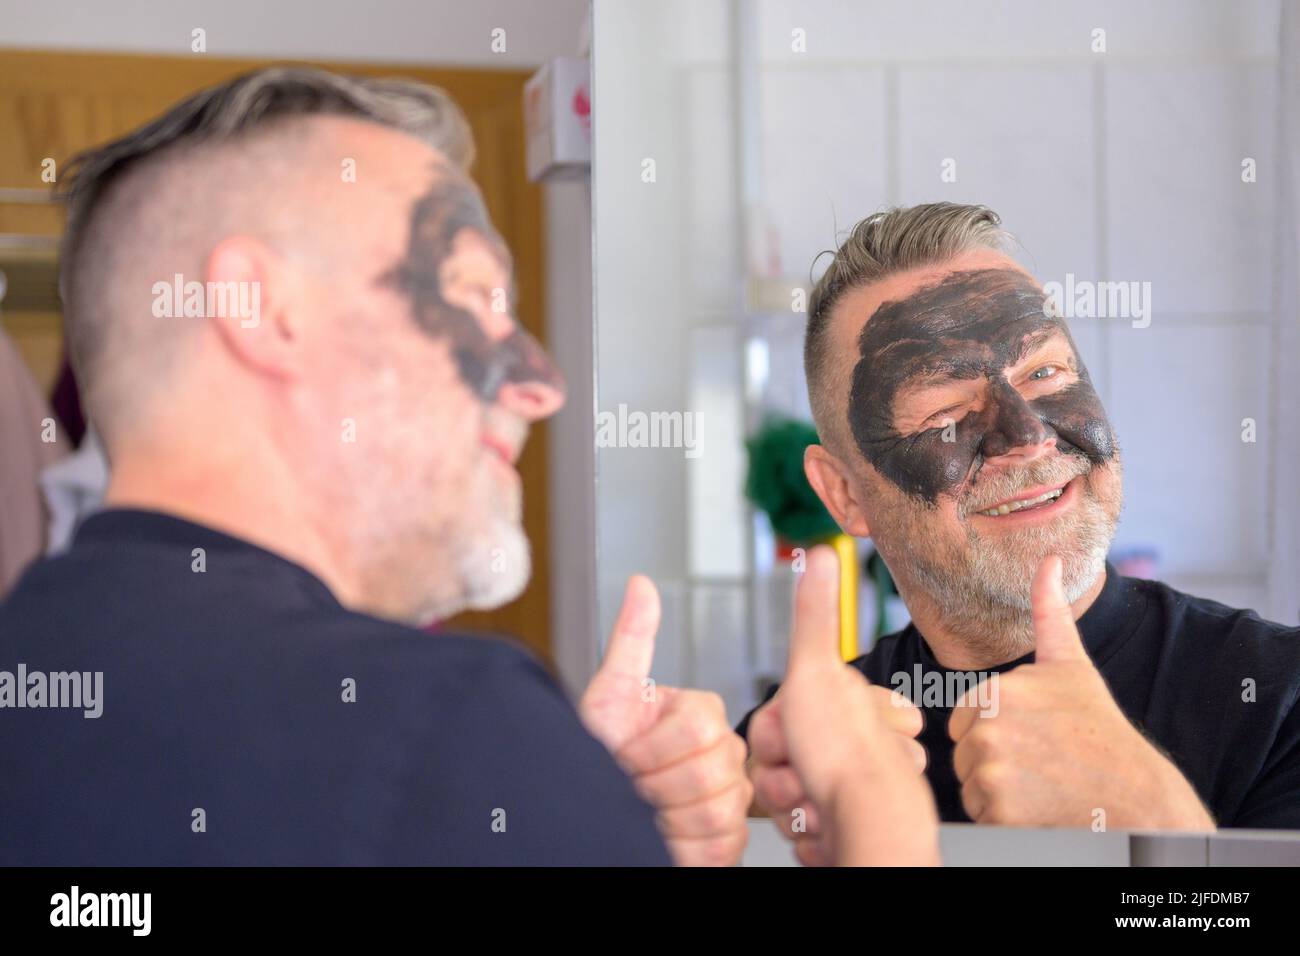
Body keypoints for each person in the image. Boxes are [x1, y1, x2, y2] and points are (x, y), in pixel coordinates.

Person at [0, 67, 759, 865]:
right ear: (256, 310)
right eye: (473, 297)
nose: (542, 385)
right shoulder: (455, 738)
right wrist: (867, 800)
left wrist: (581, 801)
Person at [740, 202, 1300, 863]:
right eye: (944, 411)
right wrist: (748, 841)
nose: (1029, 435)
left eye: (1044, 373)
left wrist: (1155, 824)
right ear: (843, 493)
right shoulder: (794, 763)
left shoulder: (1279, 703)